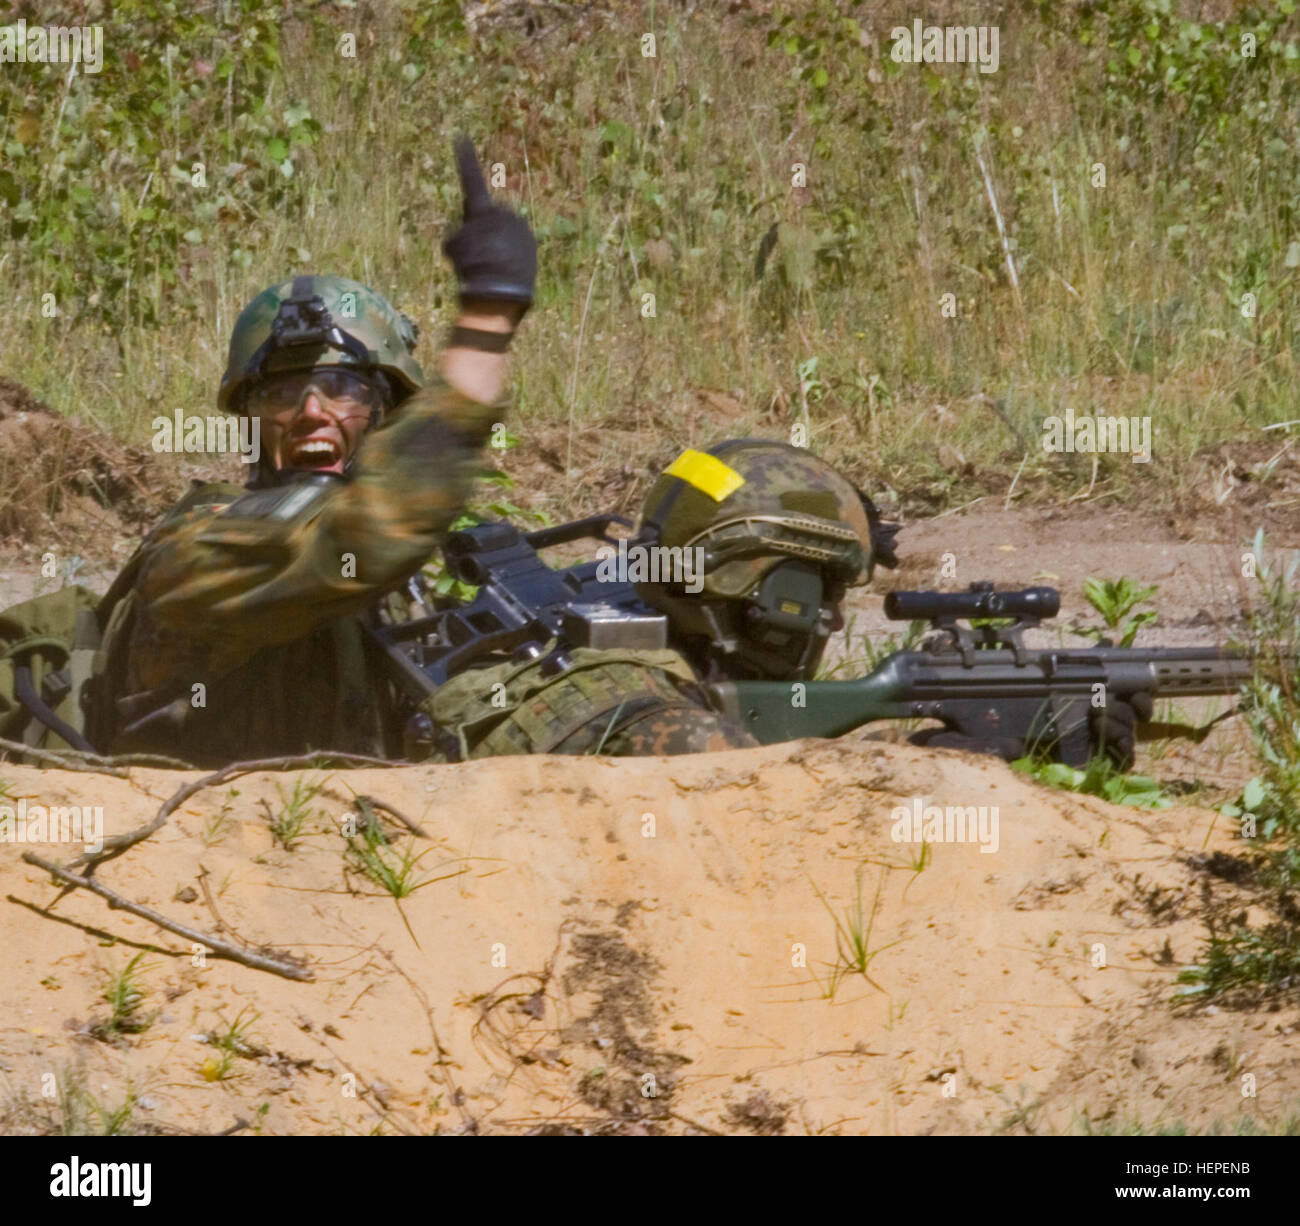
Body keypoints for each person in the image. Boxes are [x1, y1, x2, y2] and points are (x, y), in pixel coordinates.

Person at [86, 138, 537, 766]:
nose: (311, 412)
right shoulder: (196, 552)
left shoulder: (402, 582)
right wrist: (486, 318)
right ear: (248, 418)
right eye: (282, 392)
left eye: (343, 388)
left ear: (387, 412)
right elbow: (359, 536)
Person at [418, 439, 900, 759]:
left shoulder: (618, 662)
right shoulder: (689, 740)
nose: (836, 620)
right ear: (770, 592)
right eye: (827, 590)